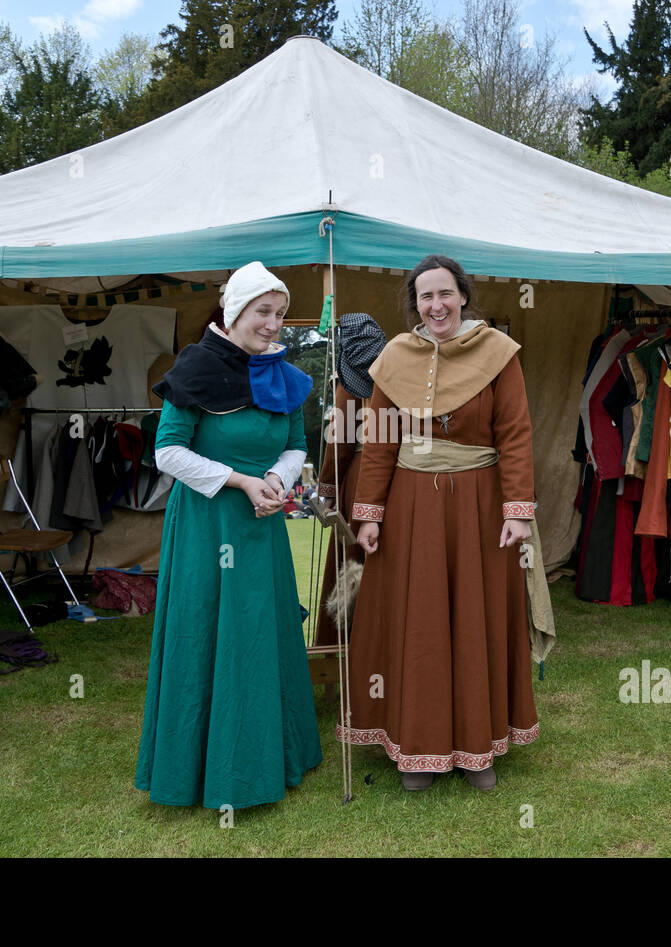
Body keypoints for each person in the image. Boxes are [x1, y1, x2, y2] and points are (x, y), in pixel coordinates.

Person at [337, 255, 540, 791]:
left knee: (477, 618)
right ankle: (415, 747)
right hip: (410, 507)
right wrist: (369, 515)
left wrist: (517, 511)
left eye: (444, 294)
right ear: (415, 305)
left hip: (478, 504)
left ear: (463, 296)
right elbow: (379, 442)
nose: (436, 305)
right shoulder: (394, 358)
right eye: (425, 297)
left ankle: (478, 748)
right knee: (419, 622)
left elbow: (515, 433)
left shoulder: (498, 354)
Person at [135, 261, 322, 809]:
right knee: (206, 633)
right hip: (208, 524)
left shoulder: (282, 375)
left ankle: (268, 755)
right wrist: (238, 480)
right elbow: (167, 451)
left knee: (261, 633)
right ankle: (200, 769)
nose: (272, 325)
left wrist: (273, 479)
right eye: (263, 312)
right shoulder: (195, 368)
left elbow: (295, 445)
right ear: (235, 310)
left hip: (260, 525)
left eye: (280, 314)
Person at [314, 312, 387, 647]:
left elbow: (340, 440)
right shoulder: (399, 370)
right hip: (394, 480)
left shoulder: (352, 377)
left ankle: (344, 643)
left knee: (353, 557)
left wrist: (327, 489)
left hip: (360, 478)